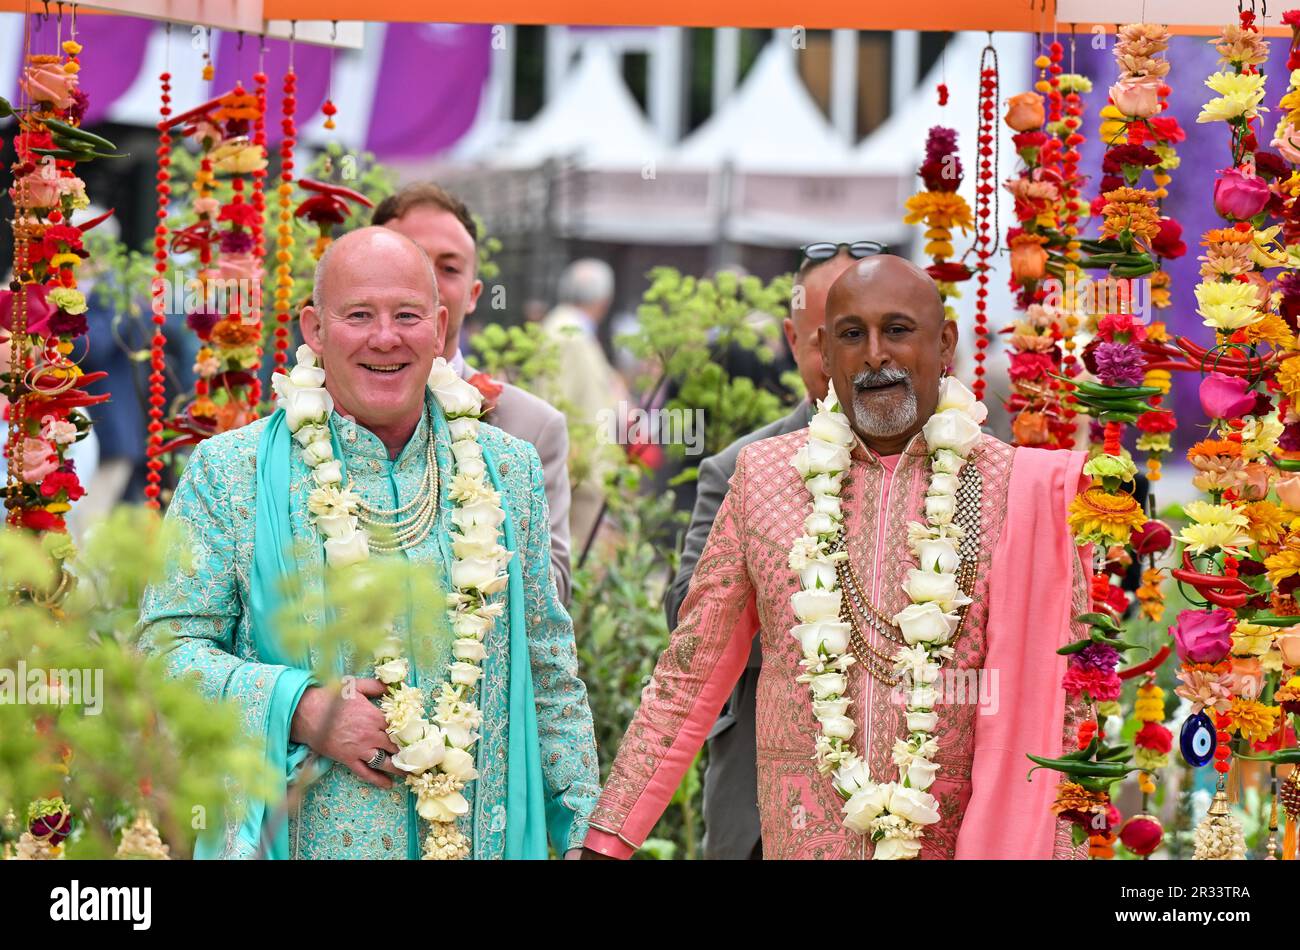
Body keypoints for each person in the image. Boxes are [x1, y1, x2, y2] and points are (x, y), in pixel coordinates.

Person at [585, 255, 1091, 860]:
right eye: (853, 335)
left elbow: (1065, 708)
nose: (875, 354)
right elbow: (687, 676)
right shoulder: (765, 478)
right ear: (824, 353)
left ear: (946, 341)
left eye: (898, 330)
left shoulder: (1016, 489)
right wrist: (604, 842)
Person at [139, 227, 599, 860]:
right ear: (315, 329)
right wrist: (300, 707)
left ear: (439, 329)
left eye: (407, 316)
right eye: (359, 315)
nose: (386, 337)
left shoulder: (506, 470)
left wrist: (583, 833)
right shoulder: (230, 470)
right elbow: (163, 656)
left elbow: (547, 668)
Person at [664, 245, 858, 860]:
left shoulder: (963, 463)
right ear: (790, 337)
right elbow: (689, 621)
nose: (843, 356)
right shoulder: (740, 468)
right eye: (823, 336)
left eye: (860, 333)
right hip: (759, 799)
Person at [373, 184, 574, 603]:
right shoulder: (312, 408)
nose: (425, 283)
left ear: (472, 295)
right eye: (410, 259)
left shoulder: (531, 427)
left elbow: (551, 596)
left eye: (448, 269)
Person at [541, 258, 626, 553]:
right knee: (573, 554)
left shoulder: (570, 329)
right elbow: (553, 400)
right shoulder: (568, 333)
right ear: (604, 299)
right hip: (578, 468)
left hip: (581, 465)